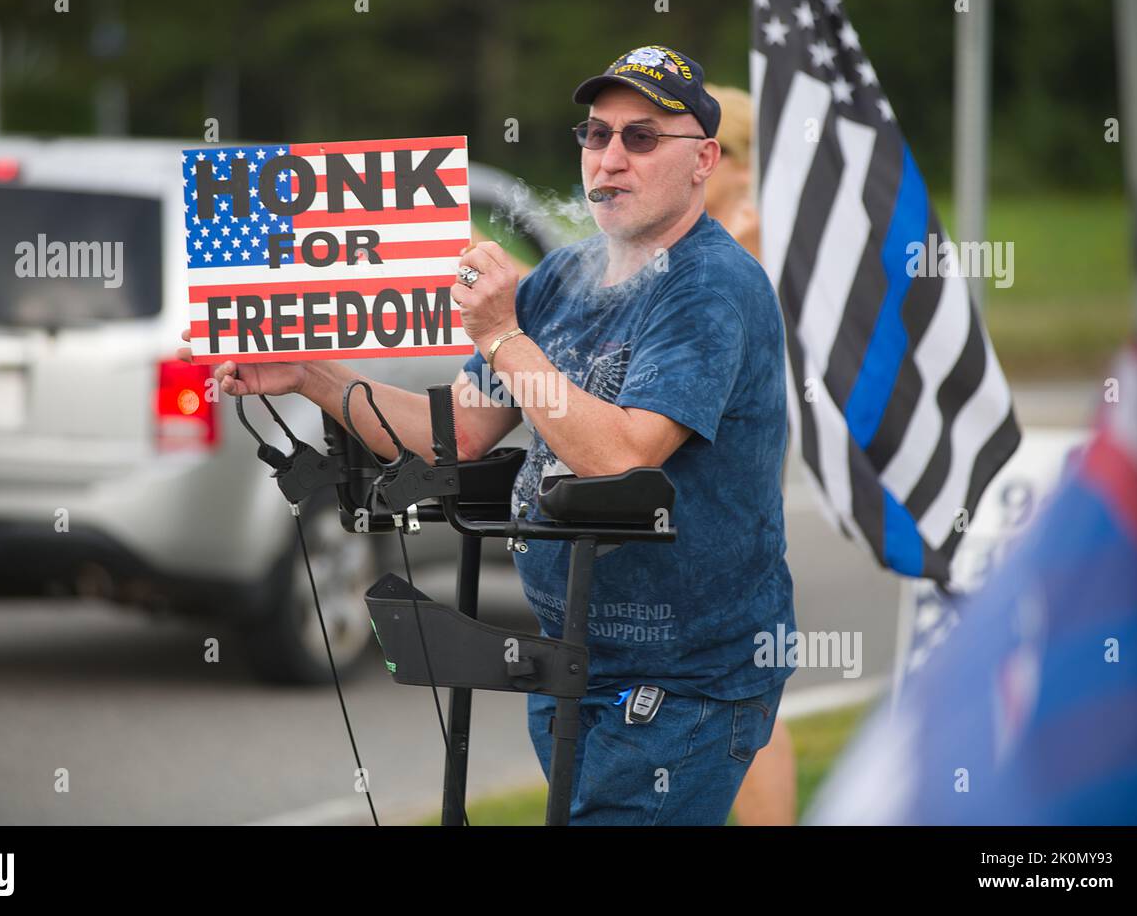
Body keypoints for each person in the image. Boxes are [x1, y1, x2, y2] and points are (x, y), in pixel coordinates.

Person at [179, 44, 796, 825]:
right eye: (597, 135)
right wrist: (311, 377)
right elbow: (458, 433)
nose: (611, 157)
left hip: (682, 677)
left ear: (704, 158)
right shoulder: (568, 275)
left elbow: (623, 455)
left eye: (641, 138)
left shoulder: (711, 285)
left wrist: (504, 333)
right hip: (576, 655)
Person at [703, 83, 799, 827]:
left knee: (745, 671)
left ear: (737, 160)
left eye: (716, 150)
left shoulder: (752, 233)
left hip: (740, 438)